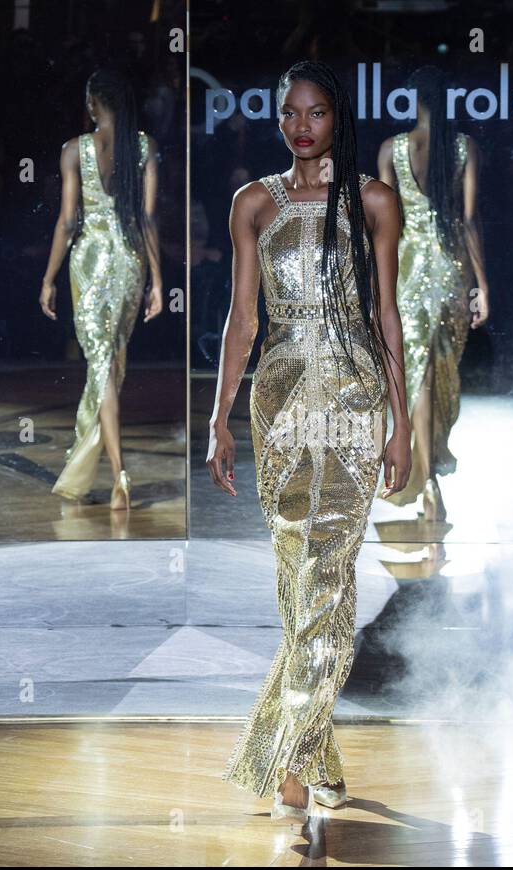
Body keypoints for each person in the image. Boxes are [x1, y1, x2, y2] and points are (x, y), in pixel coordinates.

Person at [208, 61, 411, 820]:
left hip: (355, 397)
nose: (301, 126)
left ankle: (286, 758)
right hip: (282, 401)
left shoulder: (374, 202)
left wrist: (402, 422)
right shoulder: (254, 204)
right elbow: (243, 320)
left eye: (316, 112)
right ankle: (316, 752)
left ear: (337, 119)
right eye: (289, 112)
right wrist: (219, 416)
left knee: (328, 572)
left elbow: (387, 316)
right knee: (303, 583)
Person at [40, 67, 163, 510]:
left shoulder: (74, 150)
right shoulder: (144, 147)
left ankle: (118, 472)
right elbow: (147, 219)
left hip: (90, 260)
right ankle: (109, 469)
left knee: (102, 364)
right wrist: (157, 281)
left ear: (93, 103)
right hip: (129, 260)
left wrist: (48, 278)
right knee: (110, 364)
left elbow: (67, 222)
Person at [373, 66, 488, 521]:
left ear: (415, 101)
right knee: (440, 370)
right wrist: (482, 286)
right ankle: (432, 465)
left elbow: (383, 227)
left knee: (416, 374)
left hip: (409, 271)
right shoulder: (464, 148)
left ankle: (427, 482)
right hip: (451, 271)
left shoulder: (393, 149)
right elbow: (469, 220)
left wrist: (377, 285)